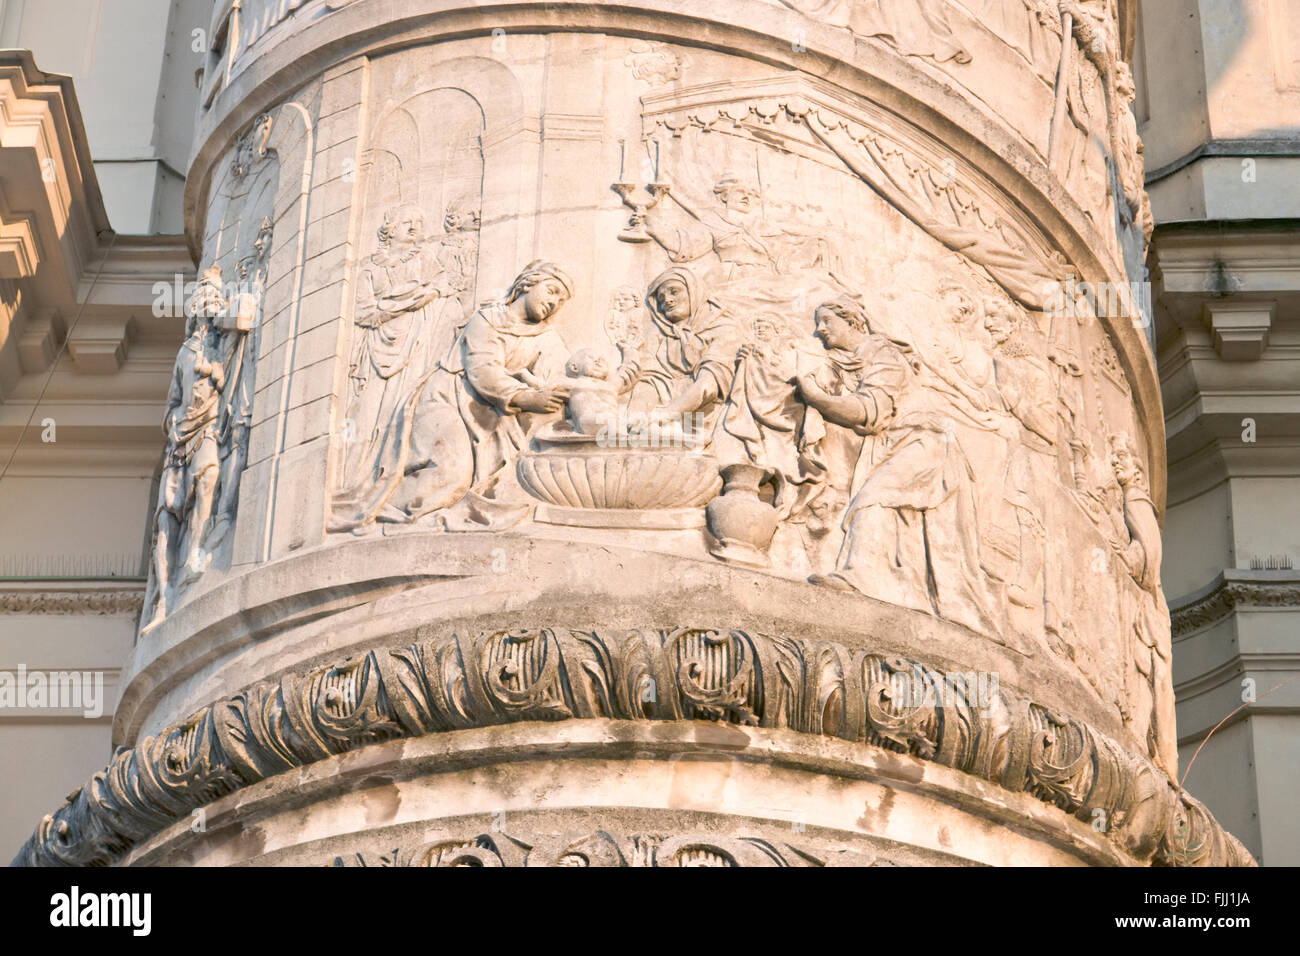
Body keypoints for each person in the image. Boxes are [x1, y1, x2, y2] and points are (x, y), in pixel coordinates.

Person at [796, 297, 1002, 639]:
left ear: (853, 323)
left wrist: (816, 398)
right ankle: (900, 586)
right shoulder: (851, 360)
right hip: (898, 445)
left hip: (927, 442)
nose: (820, 330)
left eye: (827, 321)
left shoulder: (885, 357)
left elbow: (868, 410)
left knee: (874, 496)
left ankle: (861, 576)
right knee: (885, 505)